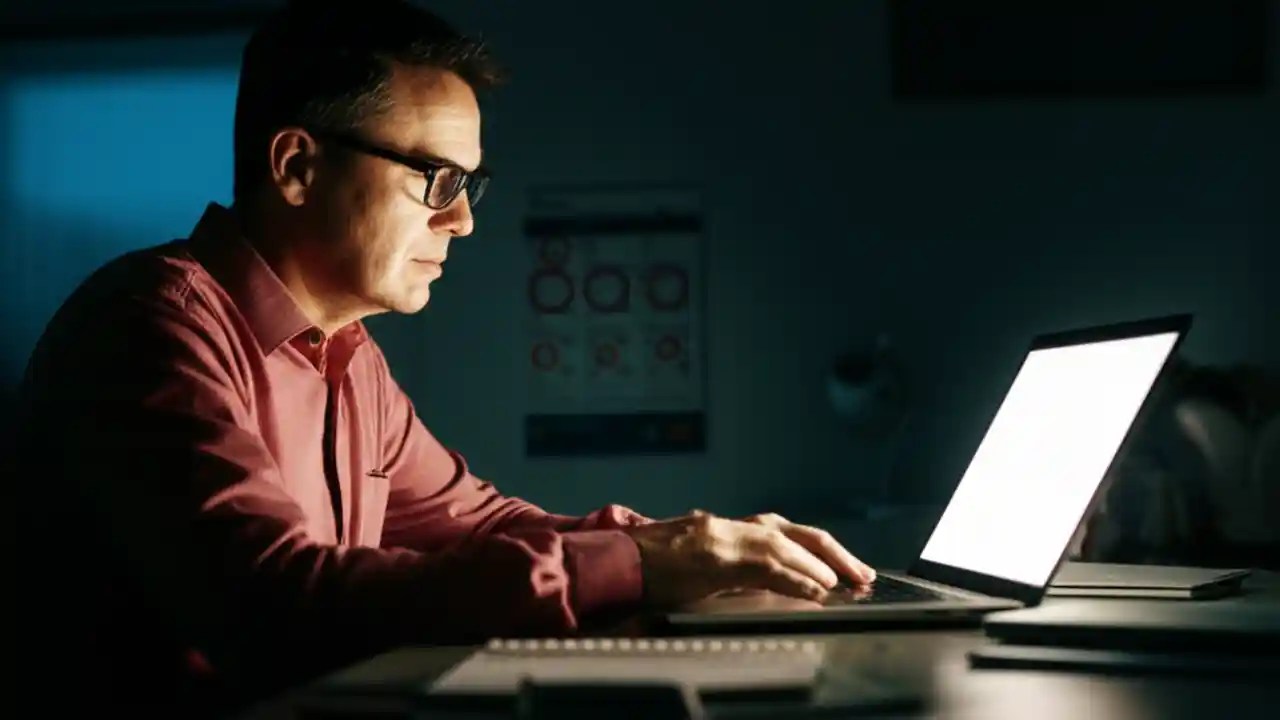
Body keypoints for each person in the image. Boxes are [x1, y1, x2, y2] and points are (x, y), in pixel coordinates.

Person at [12, 0, 873, 714]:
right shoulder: (151, 327)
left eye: (470, 186)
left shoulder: (350, 359)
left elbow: (482, 522)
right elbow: (273, 602)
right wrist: (640, 566)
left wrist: (690, 546)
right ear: (298, 165)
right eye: (437, 179)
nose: (460, 222)